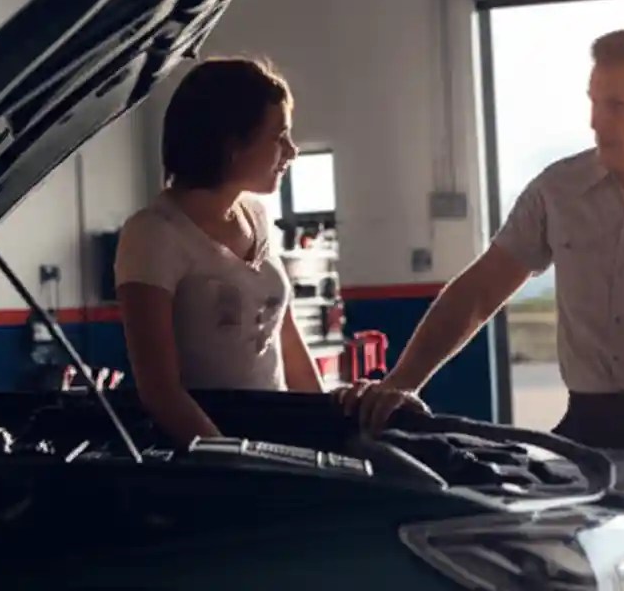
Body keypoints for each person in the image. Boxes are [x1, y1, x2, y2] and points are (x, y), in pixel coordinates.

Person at [341, 29, 624, 590]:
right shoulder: (558, 192)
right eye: (593, 101)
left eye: (617, 106)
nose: (596, 121)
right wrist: (403, 381)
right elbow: (480, 290)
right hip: (592, 433)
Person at [114, 57, 425, 446]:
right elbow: (160, 391)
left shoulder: (258, 217)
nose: (291, 151)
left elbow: (288, 341)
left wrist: (325, 427)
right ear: (231, 144)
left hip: (277, 432)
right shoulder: (153, 234)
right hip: (205, 454)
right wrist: (232, 459)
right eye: (279, 137)